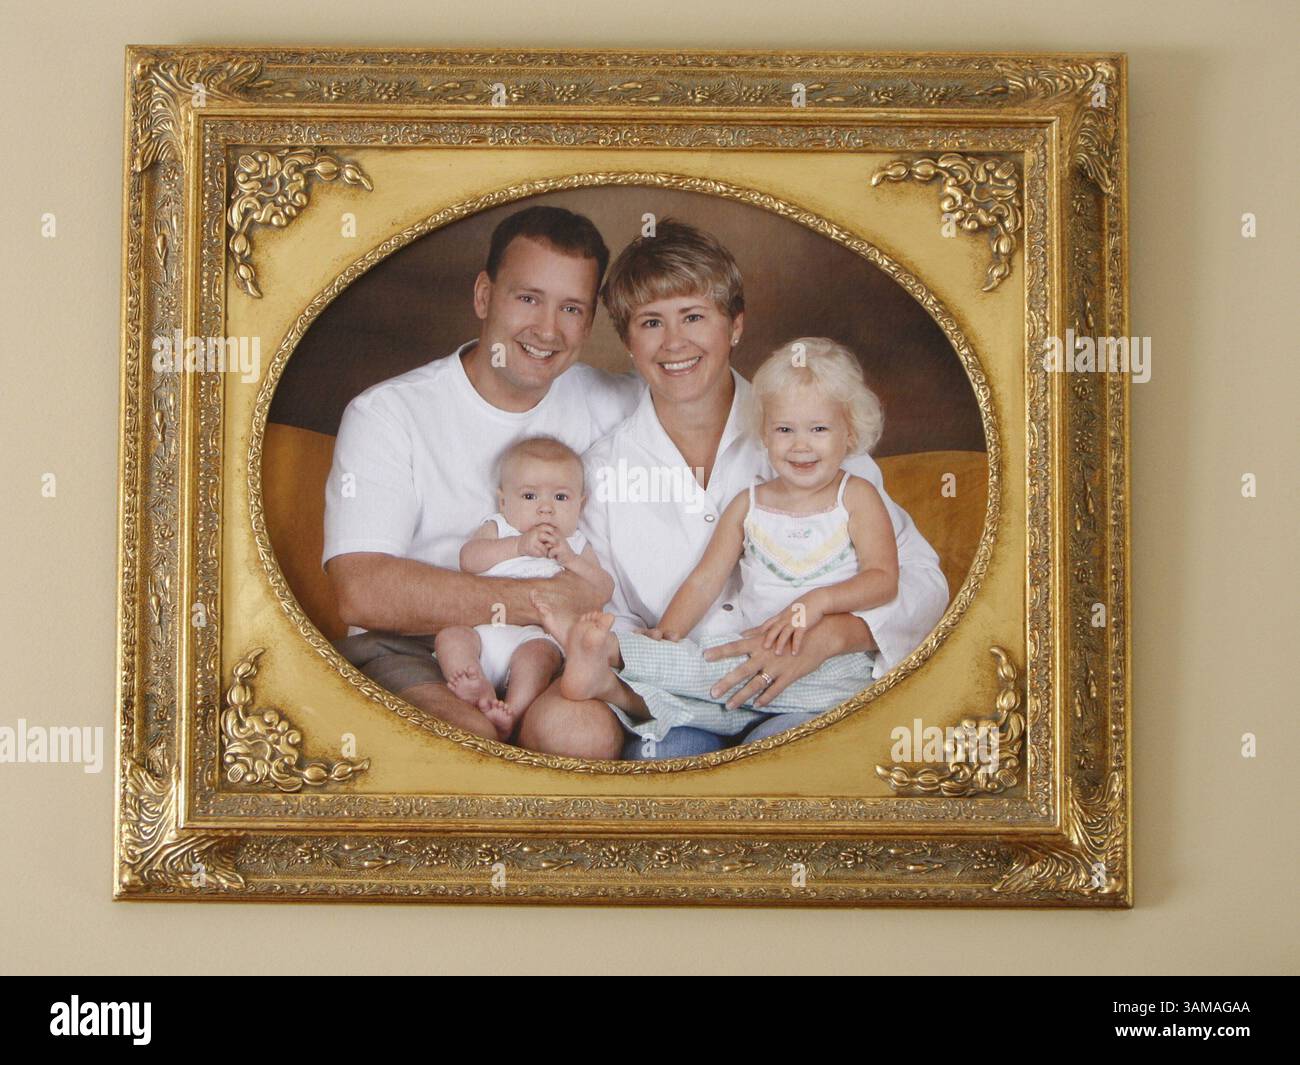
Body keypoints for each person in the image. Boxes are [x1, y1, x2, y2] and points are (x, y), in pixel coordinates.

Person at [517, 221, 949, 759]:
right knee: (667, 766)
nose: (675, 343)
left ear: (736, 325)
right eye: (651, 322)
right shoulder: (602, 472)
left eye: (695, 316)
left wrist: (833, 634)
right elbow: (615, 608)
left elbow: (922, 581)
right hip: (686, 701)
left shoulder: (811, 437)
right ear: (628, 342)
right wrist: (640, 664)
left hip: (809, 690)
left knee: (780, 768)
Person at [323, 206, 641, 741]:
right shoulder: (387, 414)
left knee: (581, 736)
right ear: (483, 295)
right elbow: (362, 591)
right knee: (470, 743)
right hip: (417, 643)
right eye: (528, 298)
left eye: (570, 308)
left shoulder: (612, 402)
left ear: (588, 324)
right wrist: (543, 602)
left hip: (547, 648)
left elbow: (729, 411)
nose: (547, 329)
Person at [534, 338, 899, 746]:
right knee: (707, 674)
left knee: (705, 674)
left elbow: (884, 578)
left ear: (848, 433)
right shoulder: (750, 503)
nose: (800, 445)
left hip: (829, 668)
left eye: (818, 429)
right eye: (784, 429)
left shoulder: (856, 496)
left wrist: (819, 603)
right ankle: (604, 677)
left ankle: (613, 663)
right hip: (752, 654)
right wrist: (668, 634)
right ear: (764, 432)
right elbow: (704, 580)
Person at [435, 436, 613, 741]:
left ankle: (512, 713)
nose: (545, 510)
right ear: (504, 502)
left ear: (580, 505)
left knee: (539, 658)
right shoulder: (499, 527)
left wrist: (570, 558)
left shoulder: (576, 544)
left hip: (533, 636)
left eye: (560, 498)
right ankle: (479, 687)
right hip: (482, 631)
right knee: (450, 637)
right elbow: (469, 559)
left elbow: (604, 588)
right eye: (530, 497)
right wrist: (517, 546)